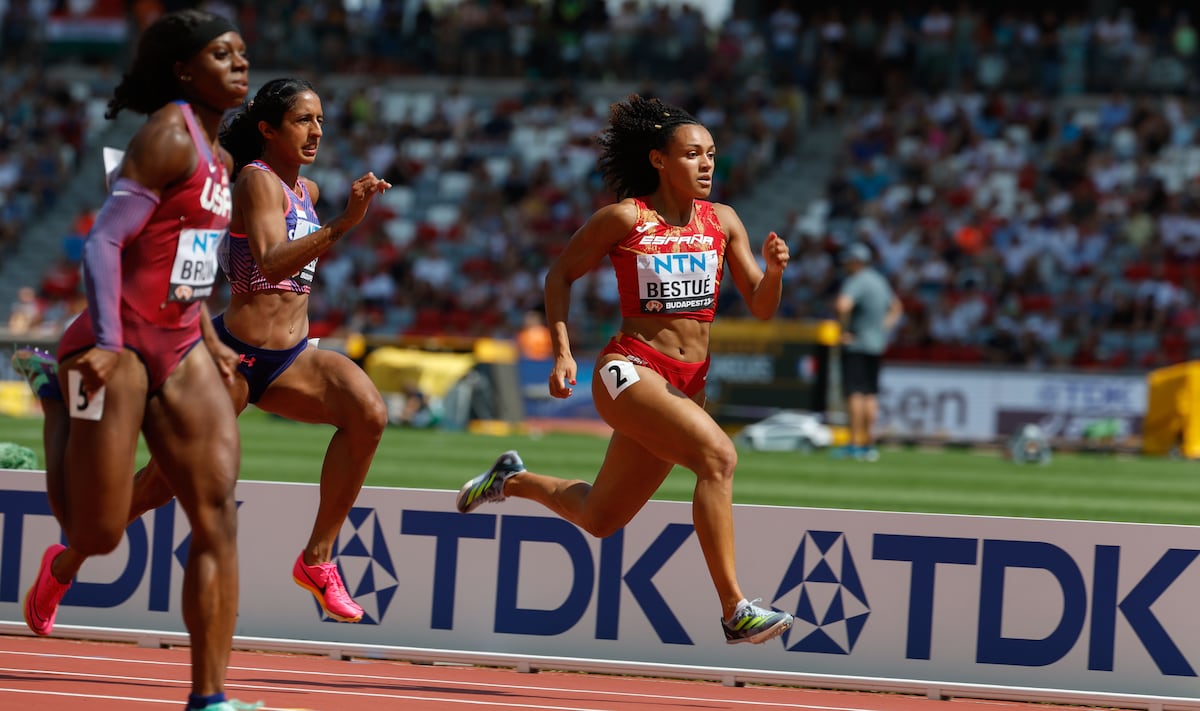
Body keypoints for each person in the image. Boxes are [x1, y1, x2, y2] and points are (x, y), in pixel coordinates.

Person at [15, 77, 392, 628]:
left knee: (368, 414)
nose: (316, 132)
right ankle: (64, 563)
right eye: (302, 121)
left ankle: (317, 560)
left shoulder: (304, 192)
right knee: (154, 488)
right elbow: (268, 263)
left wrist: (332, 219)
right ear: (268, 130)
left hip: (290, 360)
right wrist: (343, 225)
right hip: (232, 357)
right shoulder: (254, 184)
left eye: (320, 121)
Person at [455, 93, 795, 645]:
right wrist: (563, 350)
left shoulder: (724, 222)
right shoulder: (624, 218)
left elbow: (760, 303)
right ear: (660, 160)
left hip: (689, 385)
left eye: (711, 153)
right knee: (718, 457)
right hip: (630, 370)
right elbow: (559, 276)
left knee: (600, 517)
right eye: (692, 154)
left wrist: (775, 273)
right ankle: (736, 609)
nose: (707, 163)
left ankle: (510, 480)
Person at [13, 10, 261, 711]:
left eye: (243, 53)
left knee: (217, 514)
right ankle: (52, 394)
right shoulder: (166, 136)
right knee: (99, 529)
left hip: (180, 344)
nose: (240, 64)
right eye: (222, 54)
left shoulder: (225, 160)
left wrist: (214, 344)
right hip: (112, 345)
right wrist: (111, 346)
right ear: (185, 70)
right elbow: (102, 245)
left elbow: (197, 265)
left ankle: (209, 698)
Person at [832, 241, 902, 462]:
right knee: (870, 394)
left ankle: (854, 442)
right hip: (876, 345)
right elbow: (897, 308)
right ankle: (868, 443)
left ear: (856, 262)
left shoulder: (857, 281)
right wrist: (884, 328)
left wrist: (843, 330)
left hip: (857, 344)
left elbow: (843, 305)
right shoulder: (880, 281)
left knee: (855, 393)